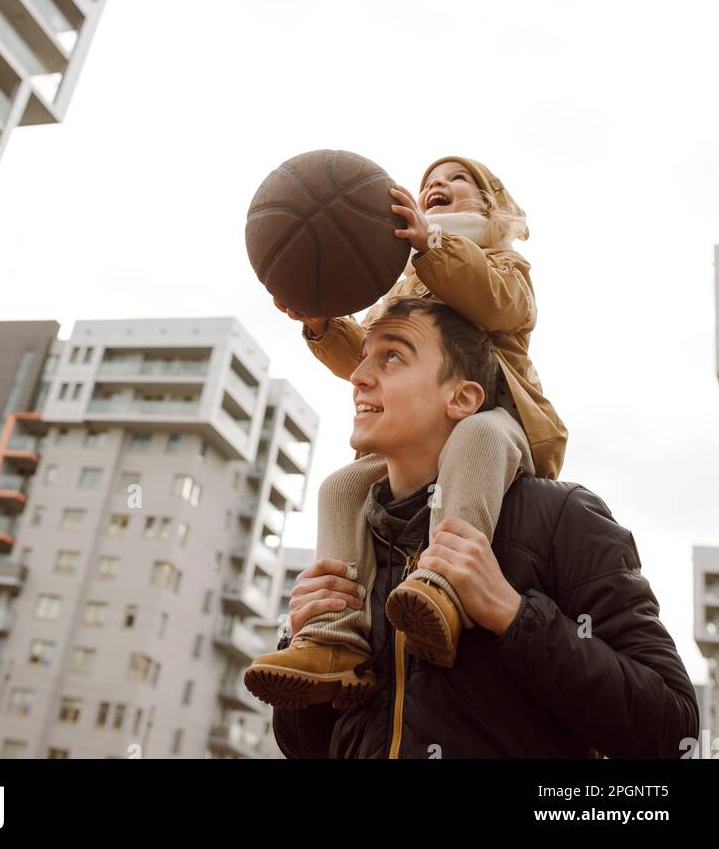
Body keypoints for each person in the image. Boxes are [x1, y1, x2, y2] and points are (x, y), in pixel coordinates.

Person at [271, 298, 699, 759]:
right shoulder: (355, 540)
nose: (358, 377)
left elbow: (673, 732)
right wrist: (301, 642)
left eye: (392, 356)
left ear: (463, 398)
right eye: (362, 359)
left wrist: (515, 616)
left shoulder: (559, 516)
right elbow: (307, 748)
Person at [245, 156, 566, 707]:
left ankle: (443, 590)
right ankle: (334, 635)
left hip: (496, 424)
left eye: (456, 179)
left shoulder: (504, 267)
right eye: (426, 182)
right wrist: (321, 323)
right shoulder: (405, 289)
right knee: (341, 487)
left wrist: (433, 246)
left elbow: (496, 302)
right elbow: (366, 359)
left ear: (491, 203)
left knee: (477, 437)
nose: (435, 184)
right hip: (423, 442)